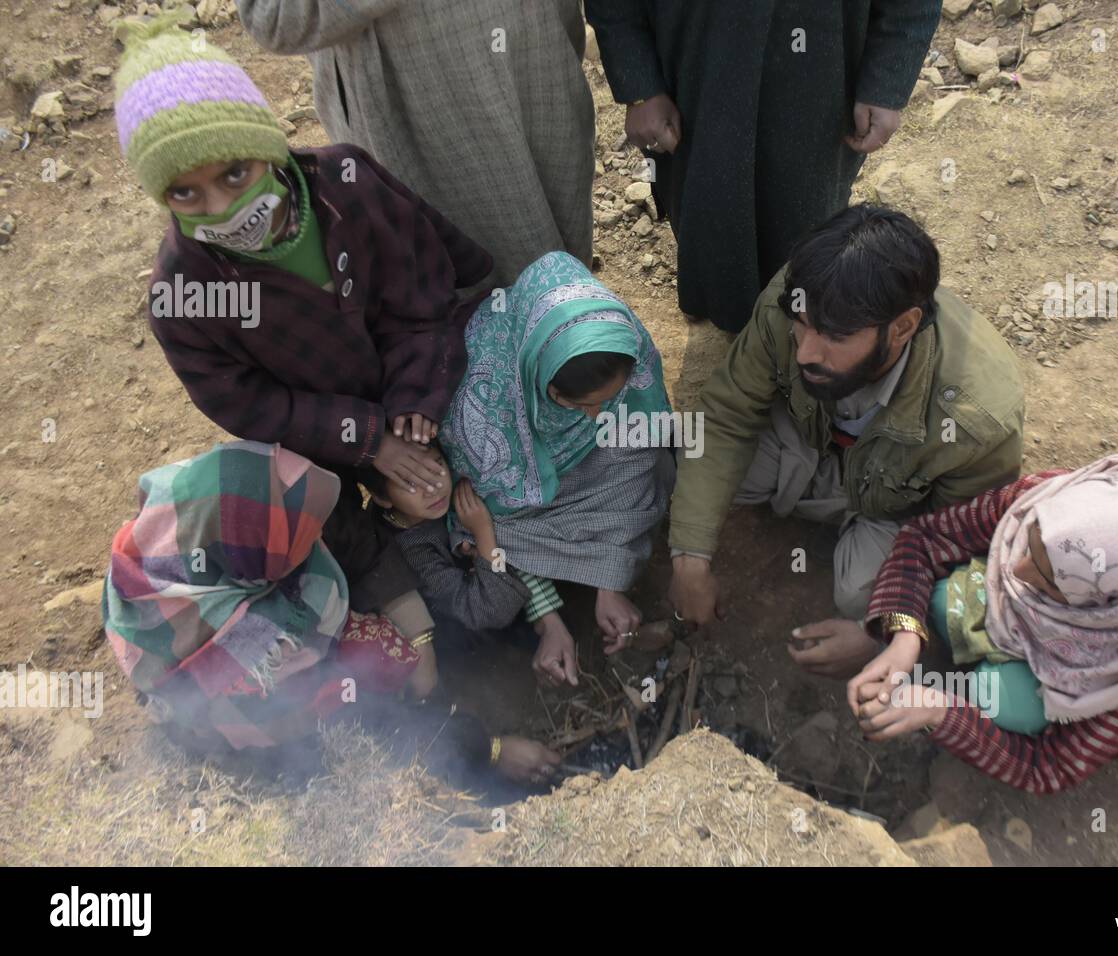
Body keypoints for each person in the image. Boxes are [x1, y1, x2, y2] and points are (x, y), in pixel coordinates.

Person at [115, 14, 486, 684]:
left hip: (420, 381)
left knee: (483, 439)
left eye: (234, 172)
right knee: (318, 514)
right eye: (184, 192)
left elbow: (422, 300)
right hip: (320, 438)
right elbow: (252, 405)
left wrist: (413, 409)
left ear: (269, 145)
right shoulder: (185, 290)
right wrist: (370, 440)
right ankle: (407, 618)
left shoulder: (350, 185)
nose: (222, 206)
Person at [667, 205, 1025, 677]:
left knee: (860, 596)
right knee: (683, 469)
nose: (806, 351)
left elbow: (957, 539)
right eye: (803, 324)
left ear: (902, 328)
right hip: (807, 440)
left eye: (834, 335)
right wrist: (690, 559)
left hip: (892, 508)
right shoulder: (799, 299)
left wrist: (881, 632)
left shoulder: (979, 419)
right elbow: (726, 417)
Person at [102, 441, 562, 784]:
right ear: (259, 576)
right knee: (366, 677)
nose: (317, 545)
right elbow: (374, 722)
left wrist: (420, 636)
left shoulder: (245, 497)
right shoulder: (250, 651)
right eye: (301, 550)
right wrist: (490, 749)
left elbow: (350, 535)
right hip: (261, 712)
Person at [843, 442, 1118, 794]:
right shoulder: (1048, 498)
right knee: (943, 602)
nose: (1016, 572)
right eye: (1031, 545)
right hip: (1055, 630)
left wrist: (941, 711)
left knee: (1001, 696)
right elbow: (928, 536)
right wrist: (903, 636)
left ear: (1110, 608)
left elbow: (1050, 767)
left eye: (1050, 578)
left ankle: (988, 690)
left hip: (1090, 671)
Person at [586, 0, 942, 332]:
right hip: (693, 71)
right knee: (706, 213)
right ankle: (718, 303)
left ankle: (792, 327)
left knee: (803, 229)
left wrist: (887, 83)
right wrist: (640, 87)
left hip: (821, 77)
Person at [236, 0, 595, 288]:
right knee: (476, 305)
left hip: (541, 77)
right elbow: (276, 17)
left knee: (568, 299)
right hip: (420, 120)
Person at [439, 252, 676, 689]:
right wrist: (548, 620)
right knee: (486, 532)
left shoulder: (621, 344)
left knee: (647, 457)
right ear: (537, 378)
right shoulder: (481, 408)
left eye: (607, 400)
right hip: (516, 507)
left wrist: (609, 584)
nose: (593, 417)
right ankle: (552, 603)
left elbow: (645, 435)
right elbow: (494, 524)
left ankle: (602, 575)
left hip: (583, 483)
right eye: (576, 404)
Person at [359, 447, 534, 634]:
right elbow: (492, 610)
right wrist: (485, 535)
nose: (433, 488)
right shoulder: (412, 551)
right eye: (410, 482)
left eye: (435, 466)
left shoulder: (460, 482)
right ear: (380, 497)